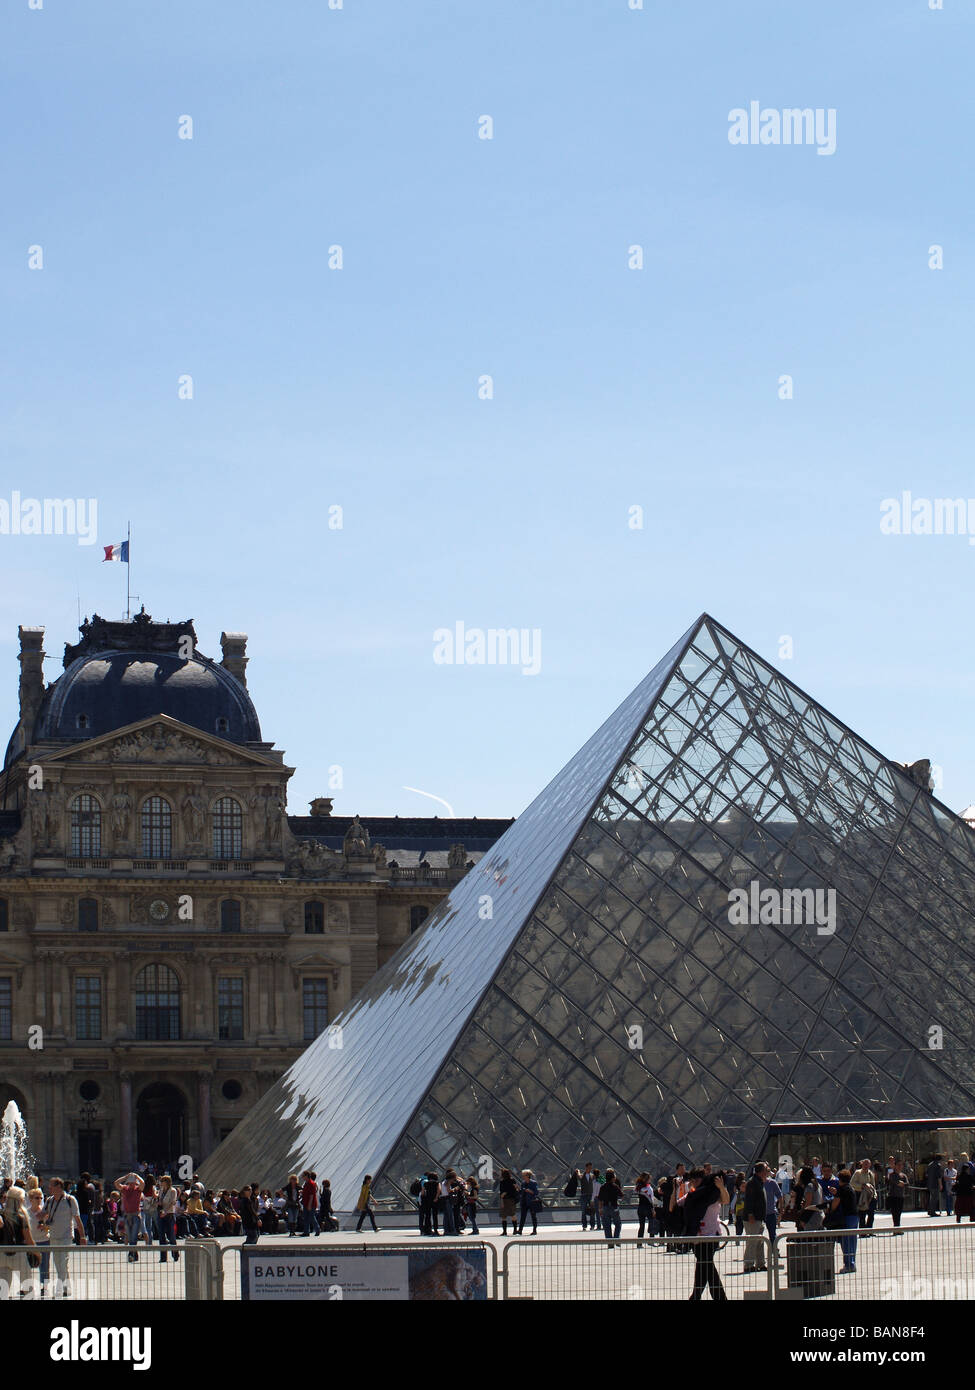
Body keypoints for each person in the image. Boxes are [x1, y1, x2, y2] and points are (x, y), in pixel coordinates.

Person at [682, 1169, 729, 1302]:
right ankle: (697, 1296)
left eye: (697, 1179)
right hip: (697, 1236)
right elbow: (676, 1206)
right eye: (692, 1180)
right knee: (705, 1265)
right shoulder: (693, 1194)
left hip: (711, 1235)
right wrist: (676, 1189)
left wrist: (721, 1187)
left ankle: (704, 1296)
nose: (694, 1182)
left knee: (705, 1264)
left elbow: (725, 1200)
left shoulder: (711, 1193)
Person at [43, 1177, 86, 1297]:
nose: (49, 1188)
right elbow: (42, 1214)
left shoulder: (70, 1200)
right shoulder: (49, 1201)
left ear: (58, 1187)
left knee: (63, 1262)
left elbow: (77, 1219)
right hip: (53, 1236)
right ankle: (67, 1288)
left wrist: (82, 1236)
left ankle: (60, 1289)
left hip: (66, 1236)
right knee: (59, 1263)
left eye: (51, 1185)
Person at [0, 1184, 36, 1298]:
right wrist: (37, 1253)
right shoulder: (21, 1216)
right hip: (19, 1254)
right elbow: (29, 1239)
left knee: (3, 1290)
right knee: (28, 1289)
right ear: (19, 1200)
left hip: (2, 1254)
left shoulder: (2, 1215)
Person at [829, 1169, 859, 1272]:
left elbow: (836, 1202)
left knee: (846, 1241)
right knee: (852, 1241)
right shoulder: (850, 1188)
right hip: (855, 1216)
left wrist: (830, 1211)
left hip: (846, 1217)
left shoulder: (842, 1189)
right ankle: (852, 1263)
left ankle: (848, 1264)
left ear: (839, 1179)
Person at [742, 1163, 768, 1273]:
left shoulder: (759, 1182)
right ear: (761, 1171)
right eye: (766, 1169)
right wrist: (750, 1214)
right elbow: (749, 1200)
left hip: (759, 1217)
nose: (768, 1171)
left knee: (759, 1242)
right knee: (752, 1241)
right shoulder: (753, 1183)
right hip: (753, 1218)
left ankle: (760, 1263)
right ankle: (748, 1264)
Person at [26, 1186, 49, 1293]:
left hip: (44, 1240)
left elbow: (50, 1225)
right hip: (31, 1242)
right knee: (27, 1265)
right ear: (30, 1200)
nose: (39, 1200)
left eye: (40, 1198)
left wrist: (45, 1227)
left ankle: (45, 1287)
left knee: (44, 1265)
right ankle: (27, 1286)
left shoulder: (45, 1212)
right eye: (37, 1198)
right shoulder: (26, 1212)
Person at [598, 1168, 624, 1247]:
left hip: (605, 1207)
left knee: (607, 1225)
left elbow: (600, 1199)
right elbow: (621, 1195)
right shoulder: (615, 1186)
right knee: (618, 1224)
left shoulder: (603, 1187)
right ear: (613, 1178)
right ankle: (616, 1238)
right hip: (614, 1207)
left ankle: (610, 1243)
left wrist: (600, 1208)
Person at [156, 1175, 179, 1263]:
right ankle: (163, 1257)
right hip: (161, 1214)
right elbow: (160, 1201)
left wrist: (165, 1211)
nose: (161, 1183)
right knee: (161, 1235)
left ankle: (175, 1253)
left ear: (167, 1182)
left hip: (169, 1214)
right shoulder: (161, 1191)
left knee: (171, 1235)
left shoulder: (173, 1190)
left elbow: (172, 1202)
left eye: (163, 1181)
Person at [851, 1159, 877, 1230]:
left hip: (869, 1195)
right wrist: (862, 1186)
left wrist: (874, 1194)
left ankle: (869, 1230)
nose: (866, 1166)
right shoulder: (857, 1173)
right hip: (860, 1195)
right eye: (865, 1164)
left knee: (871, 1214)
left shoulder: (871, 1174)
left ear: (869, 1165)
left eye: (867, 1164)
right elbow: (852, 1183)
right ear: (862, 1164)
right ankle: (863, 1231)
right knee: (862, 1214)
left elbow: (873, 1185)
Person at [887, 1160, 909, 1230]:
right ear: (895, 1166)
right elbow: (895, 1182)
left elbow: (907, 1184)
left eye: (901, 1165)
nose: (900, 1166)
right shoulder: (891, 1175)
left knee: (899, 1213)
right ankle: (896, 1228)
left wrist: (903, 1183)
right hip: (893, 1196)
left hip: (901, 1196)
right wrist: (900, 1183)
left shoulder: (903, 1175)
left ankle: (898, 1227)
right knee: (895, 1213)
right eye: (898, 1165)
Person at [516, 1170, 539, 1236]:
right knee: (522, 1216)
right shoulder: (523, 1183)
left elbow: (536, 1192)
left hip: (531, 1201)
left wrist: (530, 1191)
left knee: (533, 1216)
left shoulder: (533, 1183)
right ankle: (520, 1230)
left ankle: (534, 1230)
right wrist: (518, 1189)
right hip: (524, 1201)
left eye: (524, 1175)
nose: (523, 1176)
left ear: (528, 1176)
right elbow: (522, 1192)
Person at [634, 1172, 656, 1244]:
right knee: (651, 1222)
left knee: (641, 1225)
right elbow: (651, 1200)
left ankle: (639, 1242)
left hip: (640, 1208)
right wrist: (653, 1209)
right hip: (648, 1208)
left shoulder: (638, 1187)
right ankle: (651, 1240)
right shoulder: (648, 1188)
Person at [953, 1154, 974, 1223]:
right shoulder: (969, 1177)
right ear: (967, 1169)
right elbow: (972, 1183)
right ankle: (972, 1218)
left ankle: (958, 1218)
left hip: (960, 1194)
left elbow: (956, 1184)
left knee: (959, 1207)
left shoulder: (958, 1177)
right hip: (968, 1193)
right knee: (970, 1207)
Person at [75, 1172, 95, 1239]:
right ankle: (90, 1238)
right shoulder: (88, 1189)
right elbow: (89, 1200)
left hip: (80, 1210)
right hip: (86, 1210)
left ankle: (79, 1238)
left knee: (80, 1224)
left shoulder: (77, 1192)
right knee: (87, 1224)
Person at [498, 1169, 518, 1236]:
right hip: (511, 1199)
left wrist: (503, 1195)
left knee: (504, 1216)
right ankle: (515, 1230)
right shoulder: (512, 1180)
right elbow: (515, 1189)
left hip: (505, 1199)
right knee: (512, 1215)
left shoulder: (502, 1182)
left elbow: (502, 1191)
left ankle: (504, 1231)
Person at [300, 1171, 319, 1236]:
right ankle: (306, 1232)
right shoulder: (306, 1183)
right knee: (306, 1217)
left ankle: (317, 1229)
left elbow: (311, 1195)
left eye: (303, 1176)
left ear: (306, 1176)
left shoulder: (311, 1183)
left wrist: (309, 1205)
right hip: (306, 1203)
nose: (302, 1177)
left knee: (311, 1217)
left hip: (311, 1204)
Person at [579, 1163, 596, 1231]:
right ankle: (584, 1225)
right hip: (584, 1195)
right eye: (589, 1167)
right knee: (583, 1211)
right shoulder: (582, 1176)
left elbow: (600, 1180)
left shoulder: (593, 1176)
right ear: (586, 1167)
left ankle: (592, 1225)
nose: (590, 1169)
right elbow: (578, 1176)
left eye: (591, 1168)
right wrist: (578, 1172)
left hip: (591, 1195)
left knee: (592, 1211)